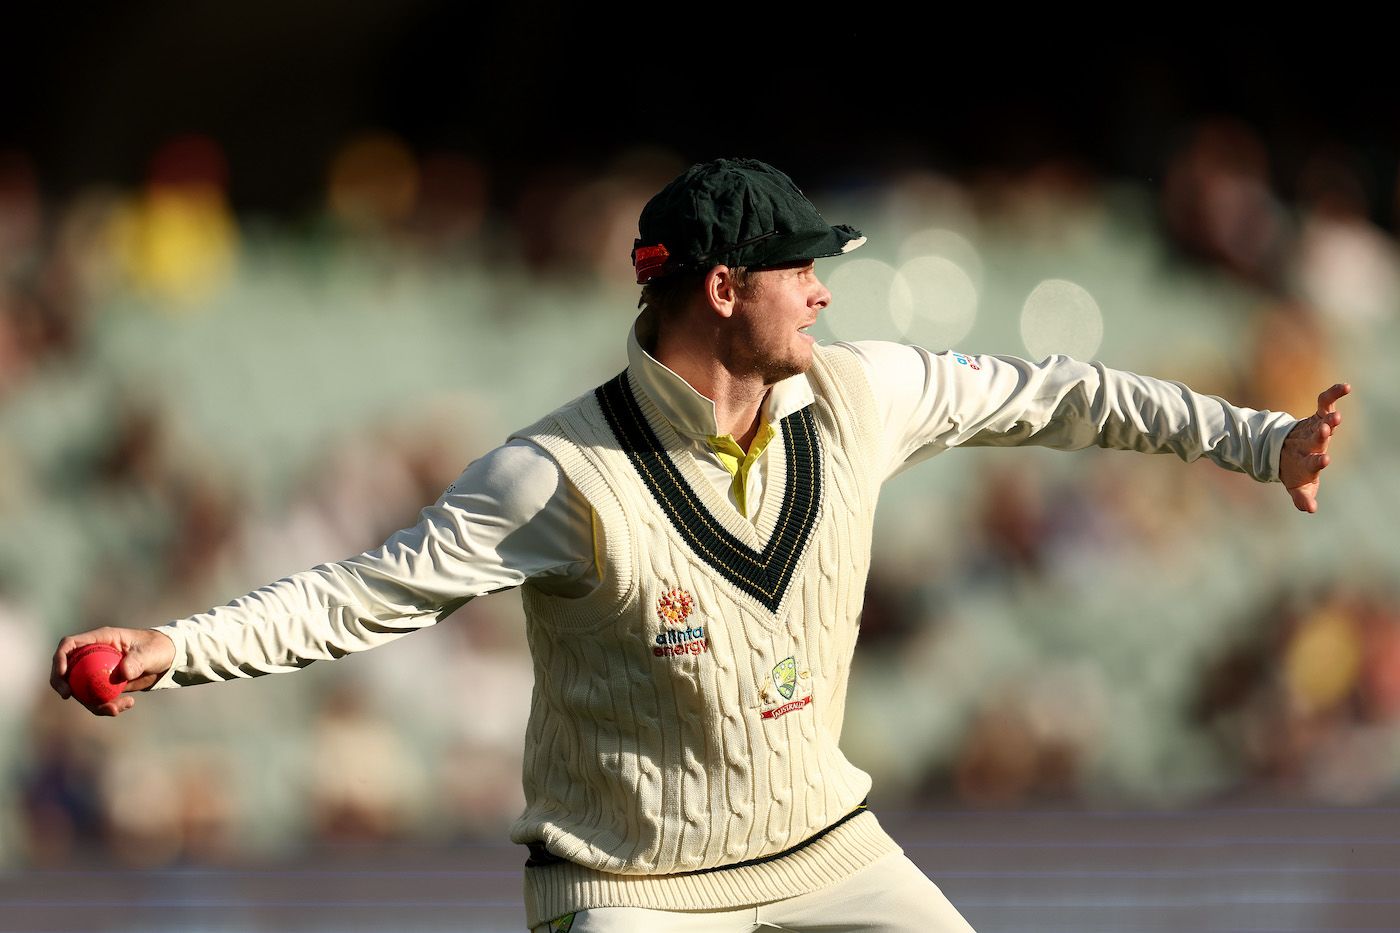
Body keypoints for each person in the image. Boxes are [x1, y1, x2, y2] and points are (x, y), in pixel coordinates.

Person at [51, 158, 1350, 932]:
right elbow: (360, 597)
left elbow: (1057, 391)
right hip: (629, 888)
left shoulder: (861, 392)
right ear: (722, 290)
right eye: (800, 270)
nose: (827, 290)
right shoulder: (558, 472)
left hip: (826, 848)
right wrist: (177, 644)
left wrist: (1257, 439)